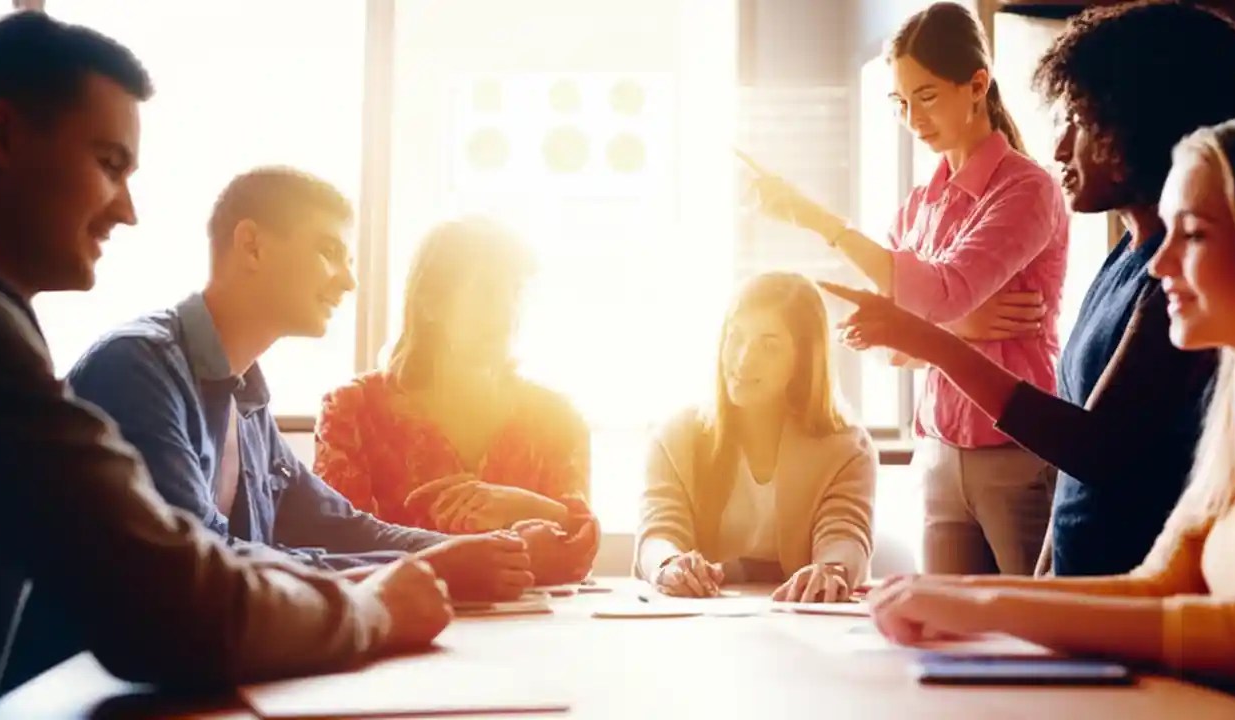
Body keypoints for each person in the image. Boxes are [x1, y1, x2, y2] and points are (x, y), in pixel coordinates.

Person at [0, 12, 448, 713]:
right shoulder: (34, 344)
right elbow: (172, 599)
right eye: (108, 164)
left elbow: (327, 526)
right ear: (3, 136)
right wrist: (373, 610)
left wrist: (462, 554)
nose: (127, 211)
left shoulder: (247, 393)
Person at [822, 1, 1235, 577]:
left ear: (1141, 122)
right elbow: (1076, 484)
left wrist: (934, 342)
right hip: (1079, 586)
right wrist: (1045, 579)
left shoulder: (1168, 283)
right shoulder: (1126, 258)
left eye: (1080, 118)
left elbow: (1095, 450)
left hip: (1114, 606)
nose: (1058, 147)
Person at [867, 115, 1235, 689]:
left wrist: (986, 608)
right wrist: (954, 592)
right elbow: (1157, 582)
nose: (1159, 264)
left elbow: (1234, 632)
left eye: (1191, 236)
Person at [68, 169, 555, 601]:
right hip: (83, 687)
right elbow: (199, 567)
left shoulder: (247, 397)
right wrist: (426, 568)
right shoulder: (137, 369)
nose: (348, 281)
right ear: (252, 245)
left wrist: (475, 553)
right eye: (329, 251)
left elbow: (339, 525)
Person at [748, 2, 1068, 575]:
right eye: (900, 103)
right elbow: (895, 340)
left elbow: (937, 295)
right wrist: (960, 325)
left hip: (1015, 455)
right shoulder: (922, 204)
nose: (913, 118)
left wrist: (818, 220)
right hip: (939, 452)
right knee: (943, 633)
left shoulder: (1027, 190)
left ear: (977, 85)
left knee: (1032, 638)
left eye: (926, 96)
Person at [314, 216, 598, 585]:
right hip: (397, 629)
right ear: (430, 304)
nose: (507, 311)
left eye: (516, 293)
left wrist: (520, 504)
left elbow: (577, 557)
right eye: (487, 293)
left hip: (530, 632)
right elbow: (339, 550)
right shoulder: (352, 411)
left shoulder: (557, 417)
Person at [635, 272, 876, 603]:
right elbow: (659, 532)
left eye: (769, 345)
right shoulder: (675, 437)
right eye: (736, 338)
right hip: (704, 622)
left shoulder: (847, 447)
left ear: (803, 360)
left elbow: (845, 532)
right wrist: (668, 565)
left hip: (802, 621)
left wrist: (833, 569)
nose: (744, 359)